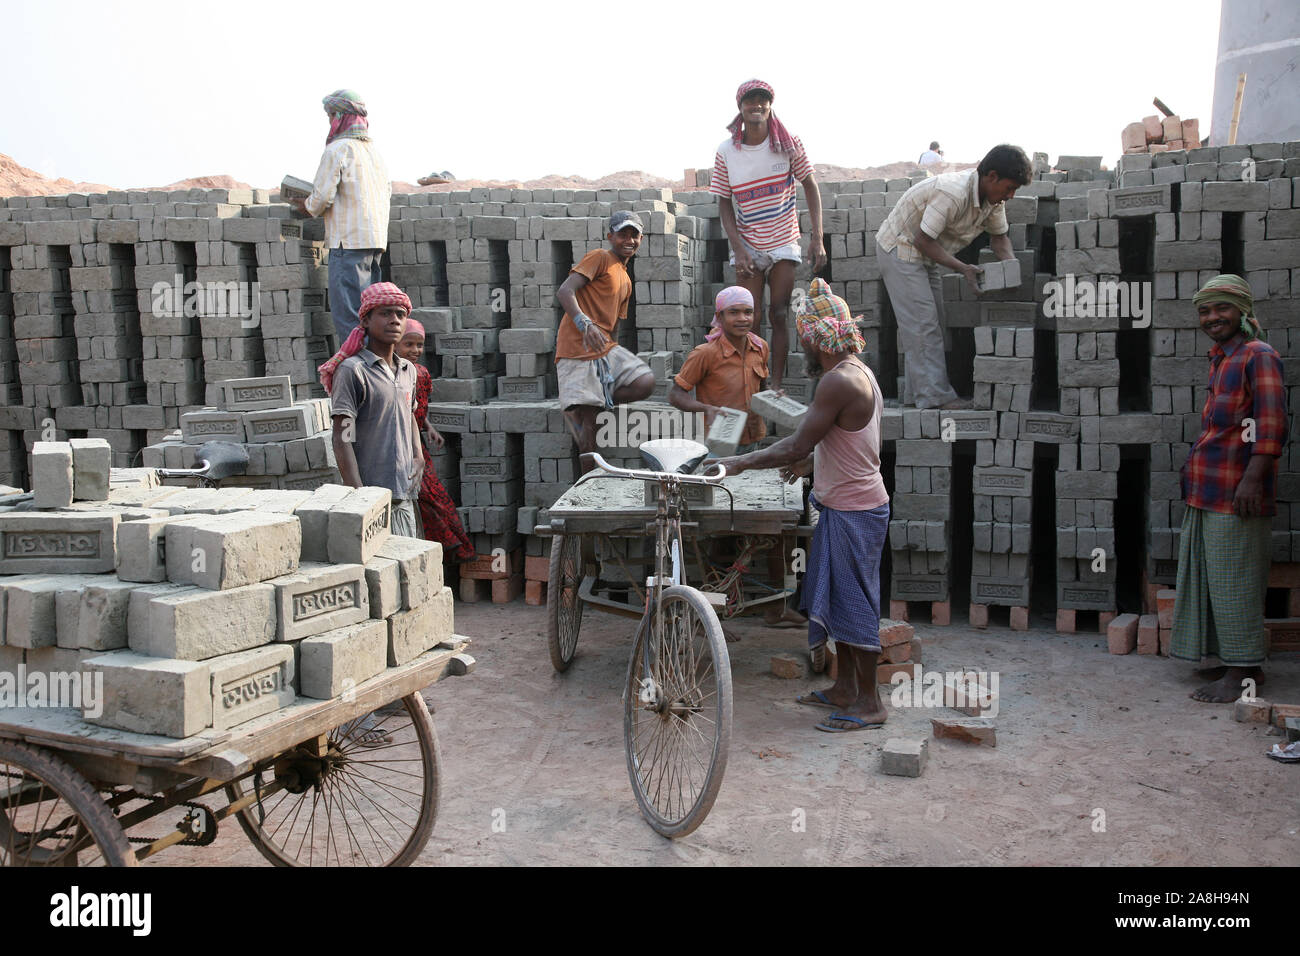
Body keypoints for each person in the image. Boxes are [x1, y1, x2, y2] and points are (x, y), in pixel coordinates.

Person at [715, 279, 890, 731]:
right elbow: (848, 442)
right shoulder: (859, 371)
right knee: (837, 601)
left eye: (803, 340)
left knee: (855, 605)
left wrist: (738, 463)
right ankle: (846, 688)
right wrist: (813, 464)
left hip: (855, 511)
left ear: (815, 338)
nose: (802, 351)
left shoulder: (838, 381)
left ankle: (869, 703)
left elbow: (794, 443)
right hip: (847, 506)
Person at [1172, 275, 1286, 703]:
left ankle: (1242, 675)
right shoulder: (1223, 357)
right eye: (1205, 311)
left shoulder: (1258, 355)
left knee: (1236, 579)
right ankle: (1237, 660)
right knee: (1217, 579)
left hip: (1237, 491)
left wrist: (1252, 480)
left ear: (1242, 311)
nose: (1212, 318)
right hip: (1210, 488)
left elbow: (1271, 424)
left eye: (1221, 309)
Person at [669, 286, 804, 627]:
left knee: (770, 525)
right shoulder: (706, 353)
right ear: (721, 316)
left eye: (748, 312)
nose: (743, 318)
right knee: (721, 531)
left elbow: (758, 392)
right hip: (719, 452)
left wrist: (772, 396)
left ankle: (776, 608)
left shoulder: (760, 347)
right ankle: (710, 616)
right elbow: (675, 394)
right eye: (734, 312)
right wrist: (707, 409)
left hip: (755, 447)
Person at [876, 143, 1032, 410]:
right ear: (991, 176)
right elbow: (923, 239)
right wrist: (963, 268)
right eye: (1009, 188)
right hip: (900, 248)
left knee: (934, 321)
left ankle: (918, 397)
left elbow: (999, 239)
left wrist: (1011, 268)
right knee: (923, 324)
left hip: (924, 254)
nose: (1011, 196)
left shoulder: (993, 201)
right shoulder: (953, 192)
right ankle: (936, 398)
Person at [711, 79, 826, 392]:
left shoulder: (788, 143)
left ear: (770, 105)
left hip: (784, 239)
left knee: (778, 312)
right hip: (747, 242)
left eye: (763, 100)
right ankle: (754, 384)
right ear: (741, 108)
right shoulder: (727, 152)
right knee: (750, 316)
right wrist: (739, 248)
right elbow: (724, 203)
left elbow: (810, 186)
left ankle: (774, 385)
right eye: (751, 101)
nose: (757, 106)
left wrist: (817, 237)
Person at [554, 211, 656, 472]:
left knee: (644, 381)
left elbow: (615, 324)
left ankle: (594, 399)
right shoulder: (600, 257)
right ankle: (589, 484)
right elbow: (565, 290)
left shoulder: (625, 278)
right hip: (577, 347)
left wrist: (615, 357)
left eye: (635, 235)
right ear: (611, 236)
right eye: (623, 234)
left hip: (603, 348)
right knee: (588, 424)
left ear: (641, 239)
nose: (629, 240)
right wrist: (584, 323)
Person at [321, 281, 422, 539]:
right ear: (365, 321)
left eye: (400, 314)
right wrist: (359, 495)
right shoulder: (353, 371)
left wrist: (418, 455)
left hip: (405, 492)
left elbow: (409, 412)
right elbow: (342, 438)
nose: (394, 320)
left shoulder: (408, 370)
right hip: (373, 495)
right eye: (385, 313)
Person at [291, 90, 392, 349]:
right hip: (375, 242)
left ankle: (357, 374)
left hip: (347, 244)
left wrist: (306, 205)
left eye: (330, 116)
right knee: (373, 315)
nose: (329, 123)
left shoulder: (338, 150)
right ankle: (378, 371)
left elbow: (322, 196)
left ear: (339, 117)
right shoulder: (375, 154)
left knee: (350, 317)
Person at [396, 319, 476, 562]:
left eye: (419, 345)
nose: (415, 350)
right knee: (422, 497)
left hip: (416, 444)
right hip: (401, 447)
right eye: (408, 344)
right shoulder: (391, 373)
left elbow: (416, 409)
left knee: (437, 498)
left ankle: (454, 549)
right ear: (395, 344)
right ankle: (436, 551)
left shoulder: (421, 374)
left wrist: (429, 428)